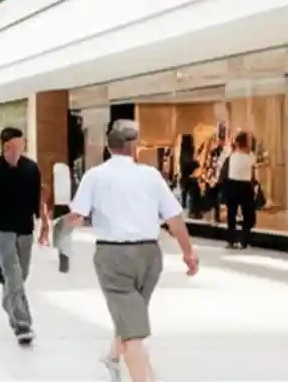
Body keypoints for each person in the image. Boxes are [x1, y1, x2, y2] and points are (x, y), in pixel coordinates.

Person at [66, 120, 198, 382]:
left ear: (108, 146)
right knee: (132, 312)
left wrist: (59, 232)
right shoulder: (151, 175)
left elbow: (77, 216)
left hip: (113, 256)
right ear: (134, 146)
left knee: (132, 328)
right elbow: (174, 218)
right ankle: (113, 357)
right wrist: (188, 253)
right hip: (150, 255)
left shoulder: (95, 176)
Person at [0, 127, 49, 344]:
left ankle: (8, 301)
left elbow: (39, 198)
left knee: (21, 273)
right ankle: (22, 323)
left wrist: (45, 223)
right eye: (19, 144)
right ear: (7, 145)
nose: (22, 147)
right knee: (13, 272)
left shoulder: (31, 168)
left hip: (25, 228)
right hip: (2, 229)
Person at [223, 131, 257, 249]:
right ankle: (244, 239)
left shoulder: (230, 153)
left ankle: (231, 240)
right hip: (245, 185)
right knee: (248, 214)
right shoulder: (250, 155)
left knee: (231, 213)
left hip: (231, 184)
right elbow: (255, 167)